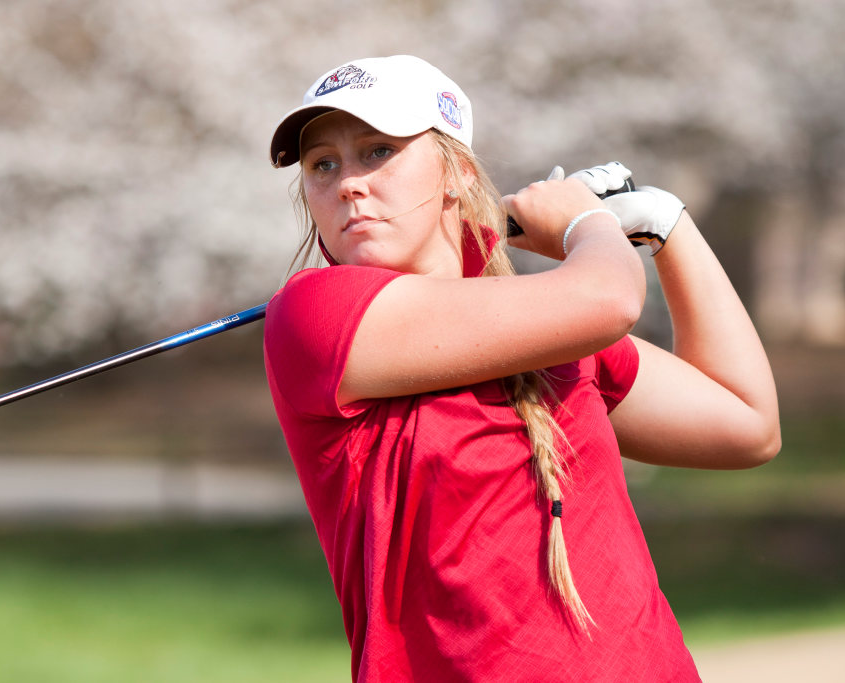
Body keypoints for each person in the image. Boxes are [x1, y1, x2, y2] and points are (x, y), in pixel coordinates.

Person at [263, 55, 780, 682]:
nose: (348, 182)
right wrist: (587, 223)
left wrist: (669, 226)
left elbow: (747, 424)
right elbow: (610, 299)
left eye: (377, 152)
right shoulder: (314, 314)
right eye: (324, 164)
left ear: (454, 173)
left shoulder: (552, 333)